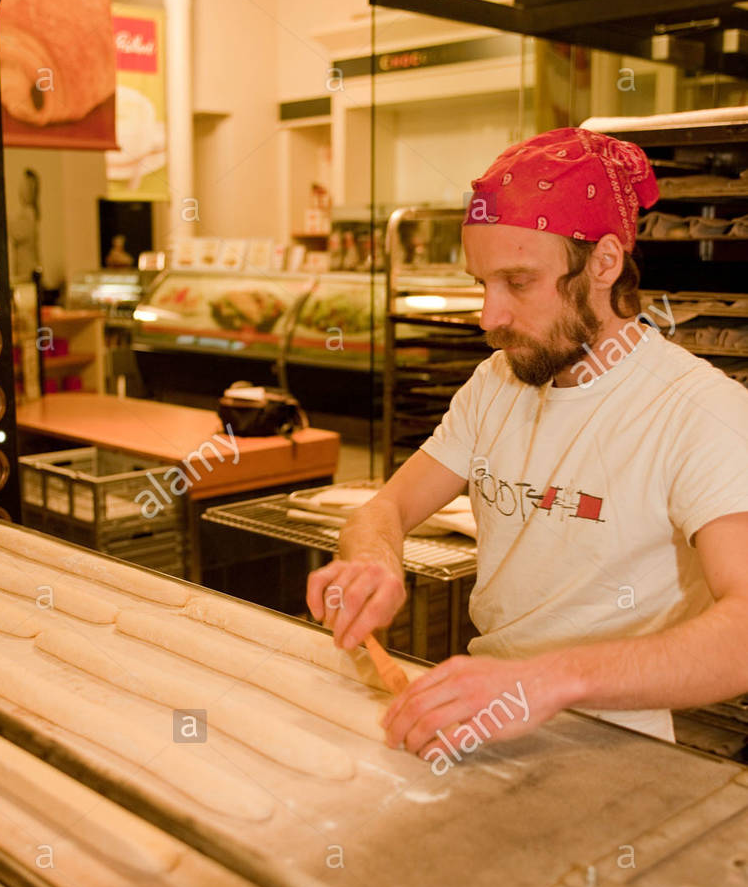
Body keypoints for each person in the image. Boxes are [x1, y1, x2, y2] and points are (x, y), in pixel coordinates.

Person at [307, 127, 748, 768]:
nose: (489, 316)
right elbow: (385, 510)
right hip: (478, 724)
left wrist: (545, 681)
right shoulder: (497, 383)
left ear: (604, 263)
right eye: (482, 282)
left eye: (517, 282)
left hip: (615, 752)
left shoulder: (699, 412)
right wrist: (375, 559)